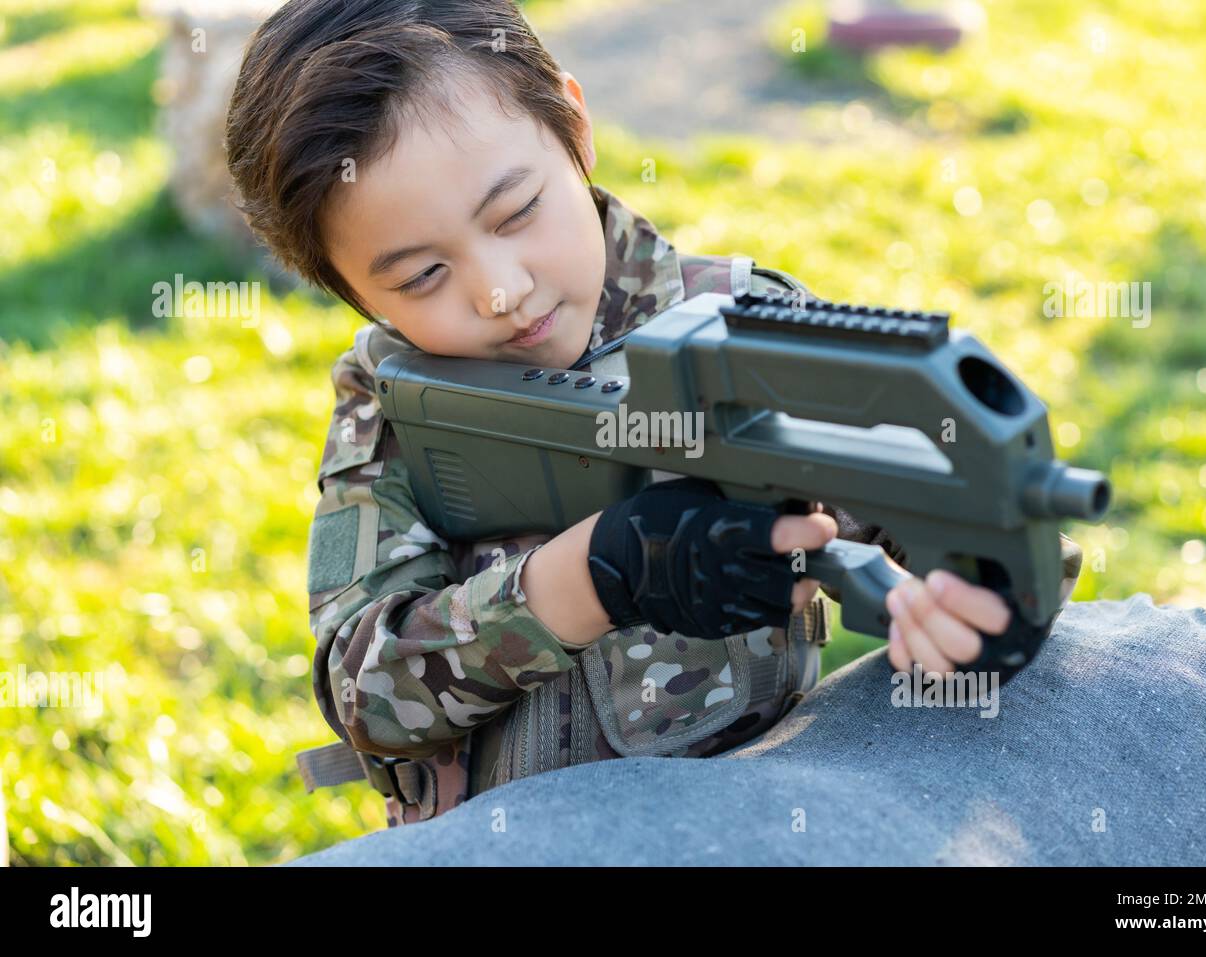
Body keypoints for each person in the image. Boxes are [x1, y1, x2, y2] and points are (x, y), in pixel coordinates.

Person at [224, 0, 1081, 827]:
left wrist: (975, 589)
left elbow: (929, 517)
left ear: (575, 126)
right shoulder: (392, 403)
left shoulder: (747, 328)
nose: (500, 290)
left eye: (517, 211)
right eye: (420, 277)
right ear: (346, 289)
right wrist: (596, 574)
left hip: (762, 820)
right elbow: (364, 695)